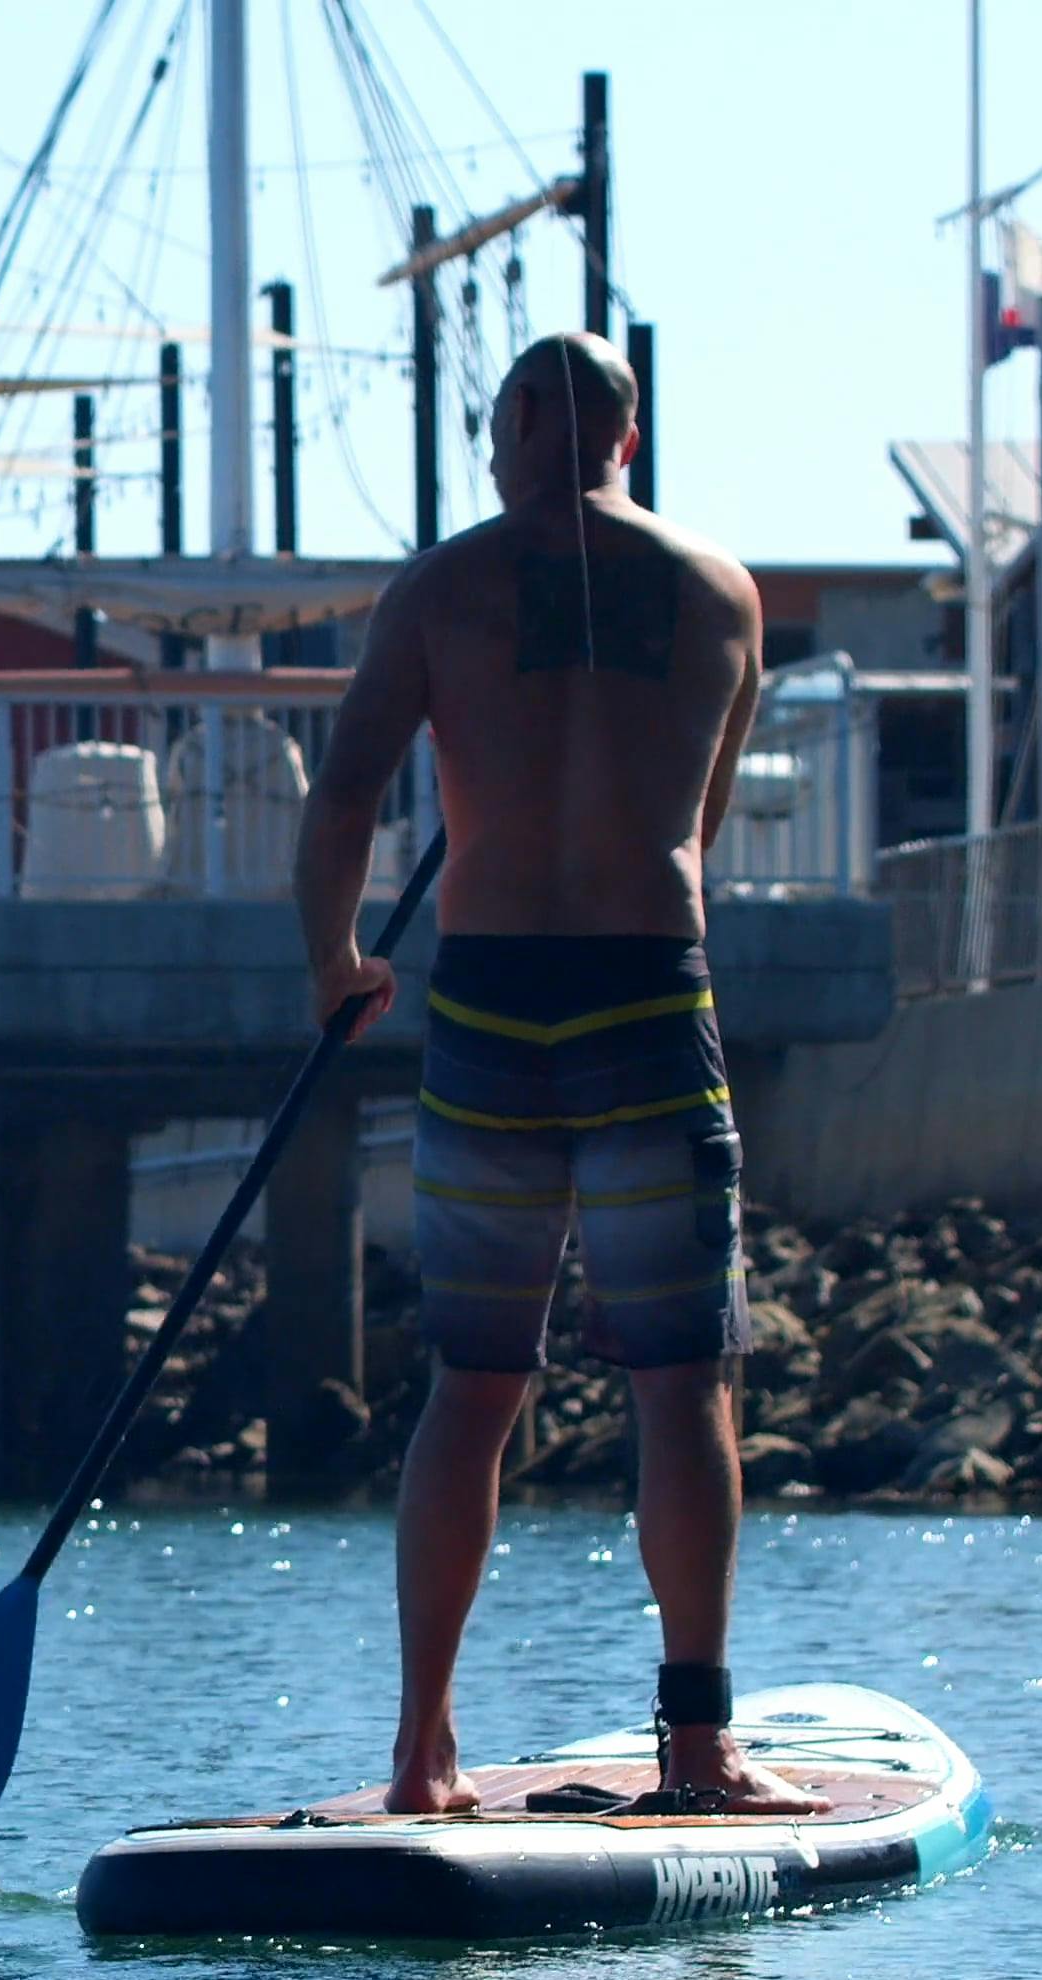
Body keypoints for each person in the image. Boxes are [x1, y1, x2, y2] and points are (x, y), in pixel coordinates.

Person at [288, 330, 822, 1816]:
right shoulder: (722, 591)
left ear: (513, 426)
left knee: (473, 1385)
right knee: (681, 1384)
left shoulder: (441, 590)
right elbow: (697, 822)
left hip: (494, 1008)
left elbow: (341, 804)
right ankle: (700, 1744)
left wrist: (337, 965)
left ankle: (421, 1754)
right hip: (648, 994)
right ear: (627, 438)